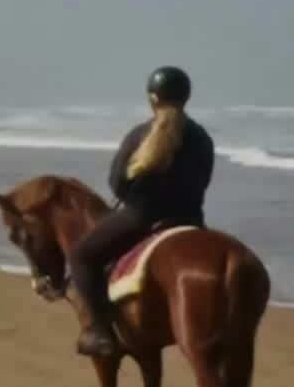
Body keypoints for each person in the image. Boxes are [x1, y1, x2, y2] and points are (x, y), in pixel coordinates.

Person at [67, 66, 216, 357]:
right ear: (186, 98)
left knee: (81, 256)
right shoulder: (202, 138)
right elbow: (204, 181)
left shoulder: (141, 134)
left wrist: (134, 195)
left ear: (153, 98)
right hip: (190, 220)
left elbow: (116, 183)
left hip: (142, 219)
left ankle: (100, 332)